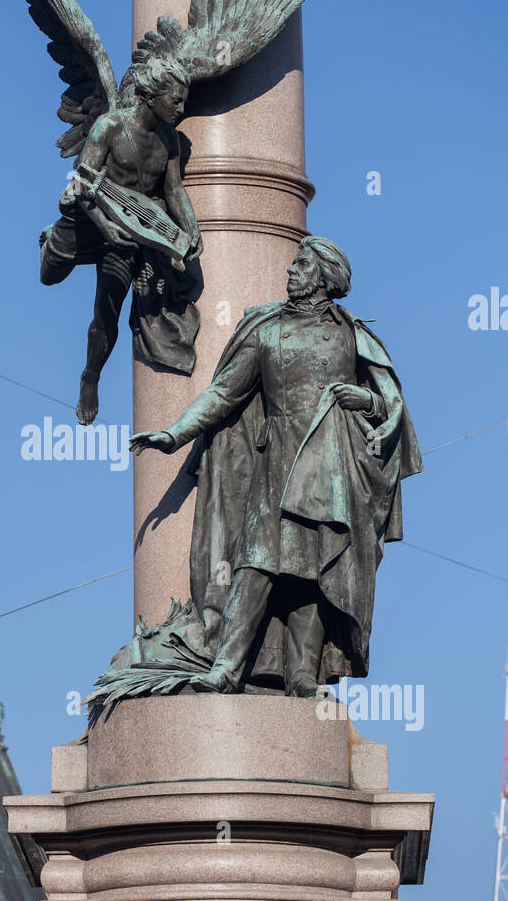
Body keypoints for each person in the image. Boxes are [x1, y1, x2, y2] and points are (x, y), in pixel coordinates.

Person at [128, 237, 422, 696]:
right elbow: (225, 393)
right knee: (257, 562)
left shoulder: (350, 334)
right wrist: (174, 433)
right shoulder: (266, 329)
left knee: (313, 566)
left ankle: (303, 676)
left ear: (324, 277)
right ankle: (226, 667)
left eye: (302, 264)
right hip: (276, 461)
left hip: (329, 463)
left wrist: (361, 397)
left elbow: (392, 401)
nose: (291, 270)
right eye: (293, 262)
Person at [39, 59, 203, 425]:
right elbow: (82, 183)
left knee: (106, 310)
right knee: (49, 276)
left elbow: (173, 189)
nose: (181, 109)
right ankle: (51, 238)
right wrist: (103, 223)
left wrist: (191, 230)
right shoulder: (110, 127)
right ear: (151, 95)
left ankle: (90, 375)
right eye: (175, 101)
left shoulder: (169, 139)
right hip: (90, 217)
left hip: (129, 232)